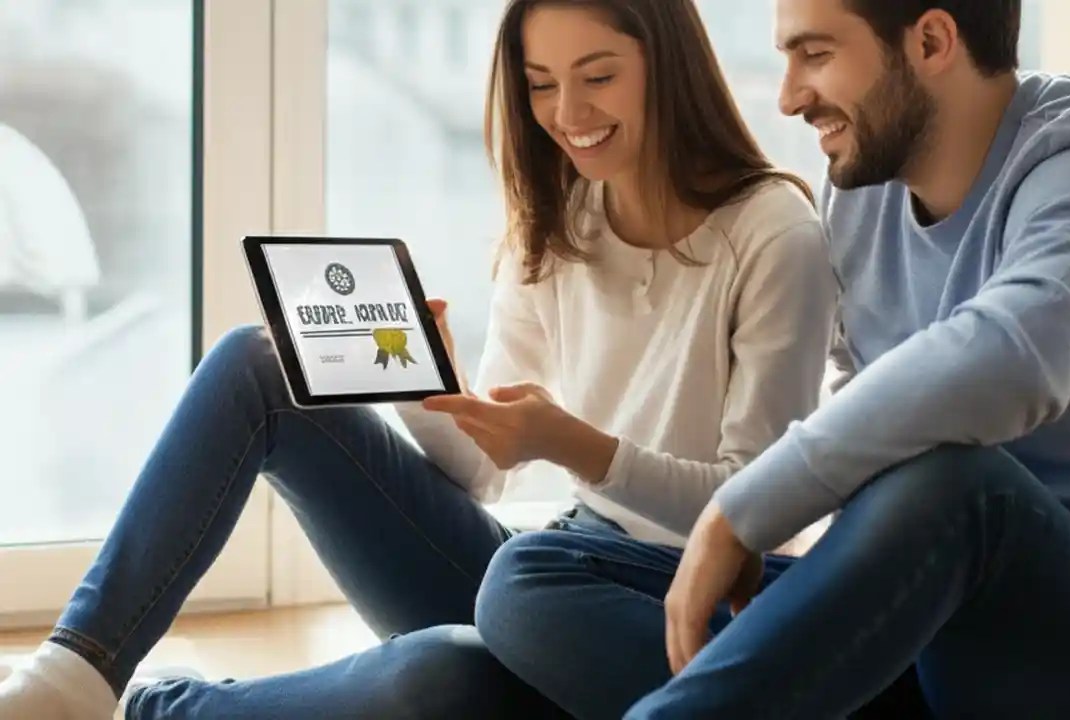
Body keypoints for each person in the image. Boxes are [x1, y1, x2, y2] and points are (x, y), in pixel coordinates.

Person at [0, 0, 836, 718]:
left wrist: (569, 443)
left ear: (669, 66)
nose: (568, 111)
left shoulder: (771, 232)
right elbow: (481, 475)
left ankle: (161, 709)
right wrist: (426, 383)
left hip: (679, 604)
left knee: (437, 675)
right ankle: (75, 674)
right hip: (549, 574)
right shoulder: (561, 221)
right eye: (541, 84)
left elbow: (749, 509)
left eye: (599, 75)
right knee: (258, 363)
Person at [474, 1, 1070, 718]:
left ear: (932, 41)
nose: (789, 97)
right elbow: (868, 424)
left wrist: (741, 509)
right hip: (930, 618)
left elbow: (1011, 362)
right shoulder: (860, 194)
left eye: (815, 55)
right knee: (519, 590)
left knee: (954, 479)